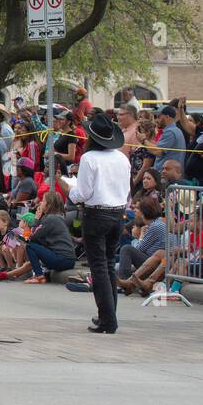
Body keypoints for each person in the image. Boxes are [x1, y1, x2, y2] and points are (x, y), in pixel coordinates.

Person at [58, 114, 130, 333]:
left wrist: (70, 189)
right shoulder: (122, 158)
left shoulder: (90, 158)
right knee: (107, 265)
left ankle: (108, 319)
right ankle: (108, 315)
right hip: (117, 213)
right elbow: (126, 191)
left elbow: (84, 193)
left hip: (96, 214)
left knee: (99, 266)